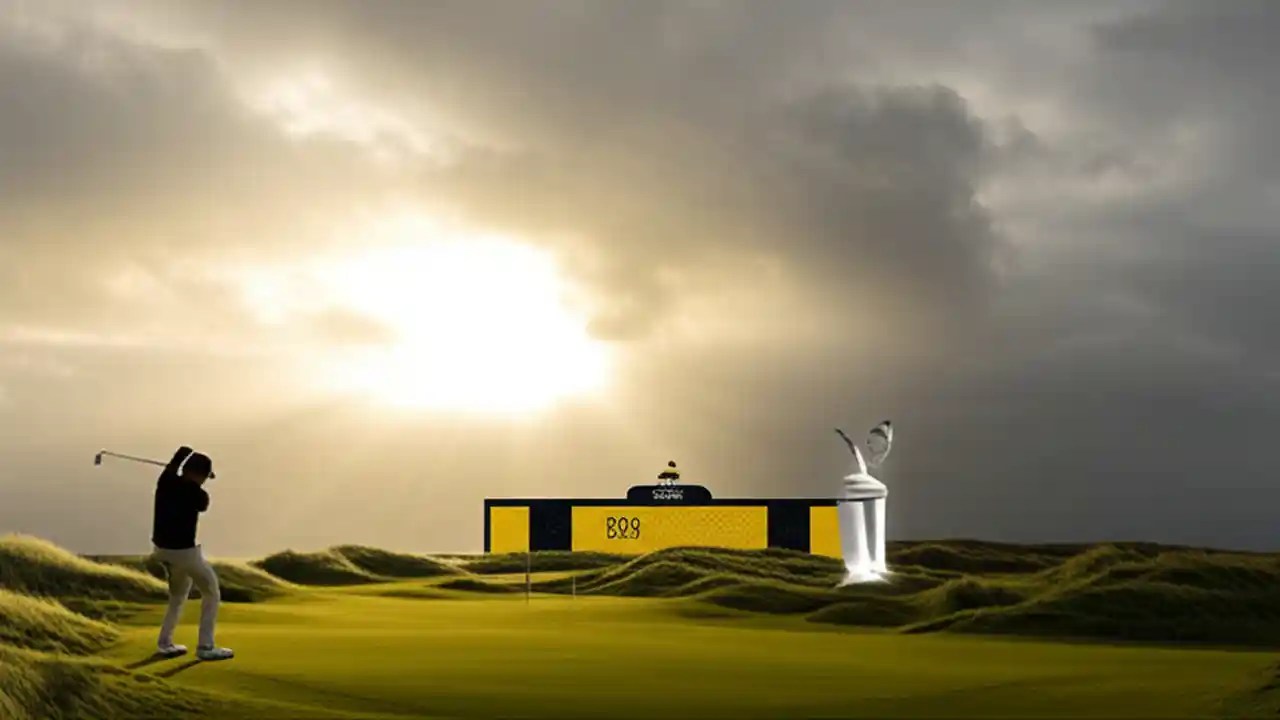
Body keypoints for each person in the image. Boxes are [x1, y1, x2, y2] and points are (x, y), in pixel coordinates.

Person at [150, 446, 234, 661]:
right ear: (199, 474)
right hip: (184, 552)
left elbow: (174, 462)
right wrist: (189, 475)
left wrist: (182, 457)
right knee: (211, 592)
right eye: (204, 476)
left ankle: (165, 643)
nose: (204, 481)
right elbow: (203, 505)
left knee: (178, 596)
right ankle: (206, 646)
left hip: (162, 550)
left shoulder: (166, 481)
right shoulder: (196, 493)